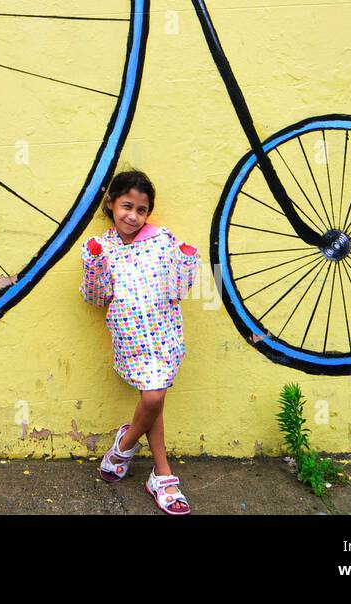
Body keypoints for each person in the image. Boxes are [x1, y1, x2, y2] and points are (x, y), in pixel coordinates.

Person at [80, 169, 199, 514]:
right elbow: (96, 296)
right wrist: (94, 261)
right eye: (126, 206)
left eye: (141, 209)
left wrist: (188, 260)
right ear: (111, 204)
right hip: (130, 337)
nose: (133, 215)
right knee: (153, 397)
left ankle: (128, 448)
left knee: (154, 394)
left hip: (164, 335)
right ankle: (158, 474)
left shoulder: (162, 239)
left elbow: (179, 290)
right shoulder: (103, 247)